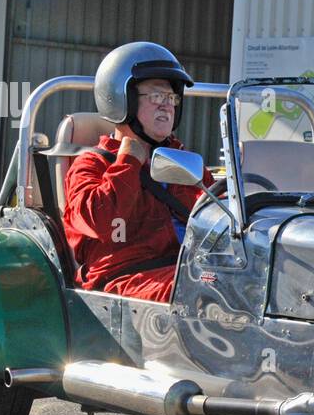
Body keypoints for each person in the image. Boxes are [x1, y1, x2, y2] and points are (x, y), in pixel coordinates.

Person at [63, 42, 210, 302]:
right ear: (123, 100)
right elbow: (100, 222)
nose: (167, 106)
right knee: (203, 289)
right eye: (156, 97)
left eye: (171, 98)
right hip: (124, 278)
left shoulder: (184, 162)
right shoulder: (91, 164)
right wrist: (128, 162)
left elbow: (218, 217)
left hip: (186, 270)